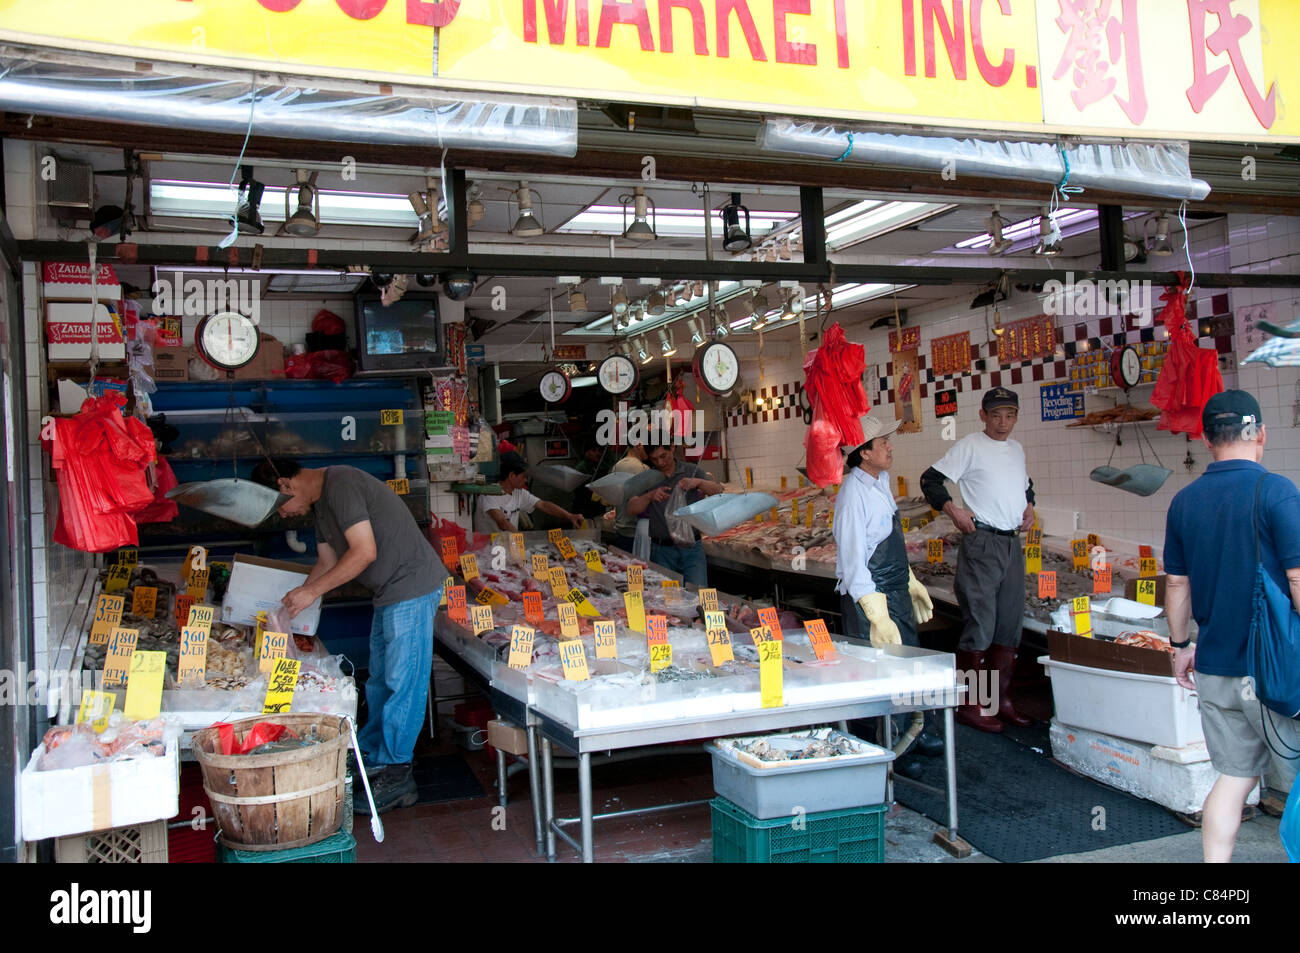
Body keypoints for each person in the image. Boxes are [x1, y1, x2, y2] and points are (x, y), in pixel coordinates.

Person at [250, 457, 450, 815]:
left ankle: (398, 771)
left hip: (411, 585)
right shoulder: (321, 506)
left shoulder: (340, 484)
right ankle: (374, 758)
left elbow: (364, 552)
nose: (282, 516)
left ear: (286, 484)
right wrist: (290, 610)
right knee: (379, 679)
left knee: (404, 680)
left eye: (278, 506)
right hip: (389, 592)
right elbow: (326, 564)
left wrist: (310, 594)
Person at [1163, 390, 1300, 862]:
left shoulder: (1183, 502)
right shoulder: (1277, 491)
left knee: (1235, 778)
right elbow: (1298, 578)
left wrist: (1182, 646)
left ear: (1204, 439)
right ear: (1260, 433)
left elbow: (1177, 586)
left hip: (1218, 667)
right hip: (1278, 674)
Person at [920, 386, 1036, 733]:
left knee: (1009, 625)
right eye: (996, 415)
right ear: (983, 415)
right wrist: (954, 510)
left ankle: (999, 700)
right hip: (981, 542)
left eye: (1010, 415)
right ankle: (970, 703)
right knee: (981, 623)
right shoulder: (970, 445)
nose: (1003, 423)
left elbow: (1025, 484)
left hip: (1012, 544)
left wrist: (1030, 504)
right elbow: (931, 480)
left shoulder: (1015, 449)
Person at [834, 415, 941, 771]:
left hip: (894, 590)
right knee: (878, 674)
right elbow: (853, 561)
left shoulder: (879, 482)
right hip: (872, 598)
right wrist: (874, 611)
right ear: (864, 453)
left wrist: (910, 580)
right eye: (883, 443)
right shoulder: (852, 495)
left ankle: (914, 730)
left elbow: (885, 540)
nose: (890, 447)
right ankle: (887, 747)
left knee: (906, 664)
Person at [623, 444, 724, 586]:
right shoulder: (646, 477)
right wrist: (650, 496)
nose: (660, 463)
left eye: (663, 456)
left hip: (692, 548)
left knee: (699, 594)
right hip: (661, 550)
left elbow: (718, 491)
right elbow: (631, 508)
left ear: (672, 448)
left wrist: (698, 482)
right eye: (654, 459)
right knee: (668, 601)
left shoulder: (691, 470)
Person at [475, 451, 583, 535]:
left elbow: (544, 505)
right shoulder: (489, 493)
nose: (526, 480)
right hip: (487, 550)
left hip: (507, 548)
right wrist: (522, 541)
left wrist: (570, 516)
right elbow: (503, 523)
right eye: (523, 476)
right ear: (512, 476)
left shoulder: (519, 493)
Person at [609, 443, 649, 551]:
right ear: (639, 444)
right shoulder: (640, 468)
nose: (651, 450)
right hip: (635, 530)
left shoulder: (618, 465)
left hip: (621, 527)